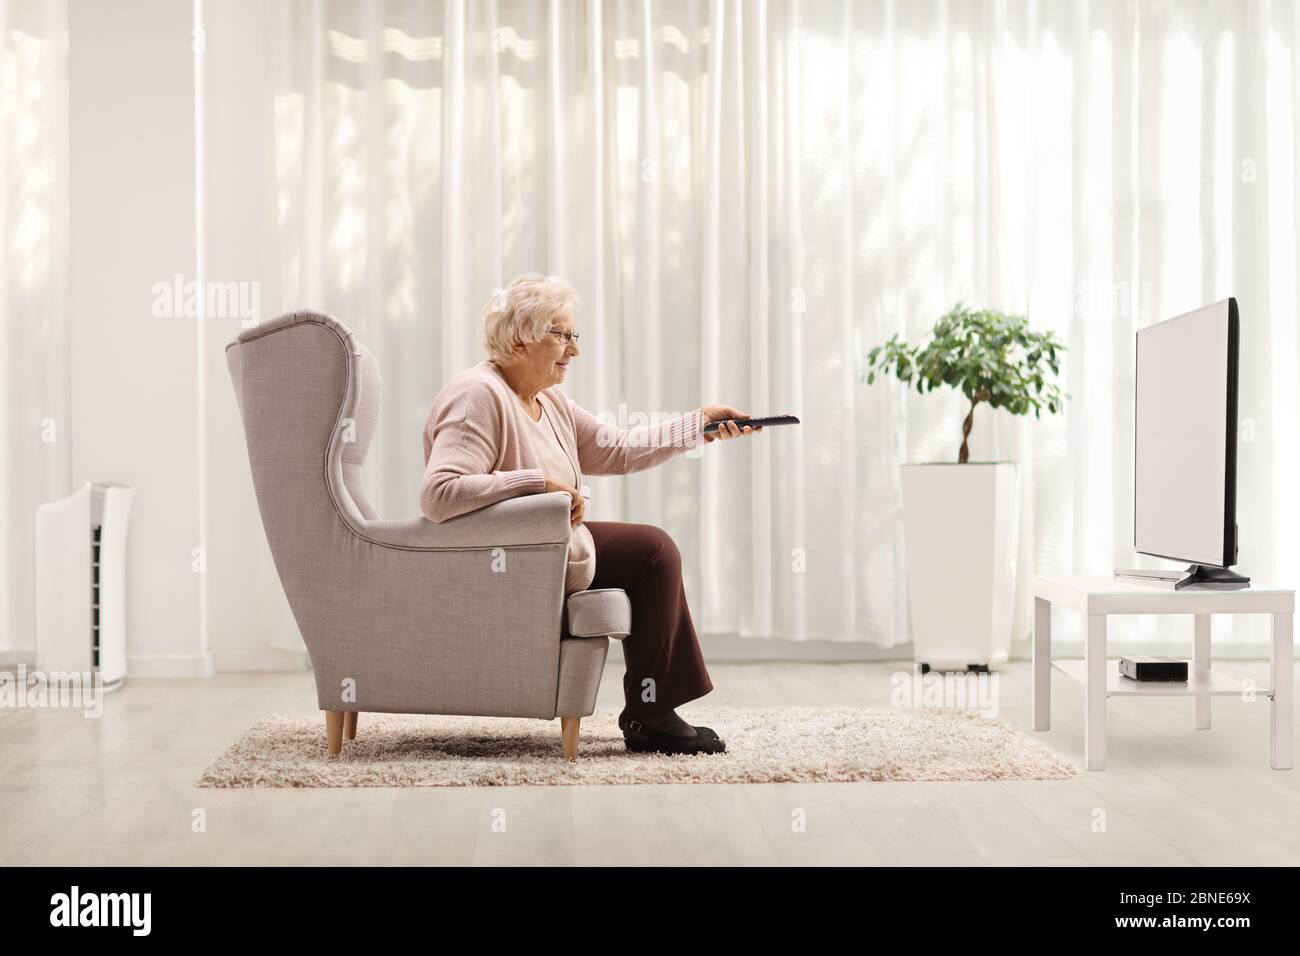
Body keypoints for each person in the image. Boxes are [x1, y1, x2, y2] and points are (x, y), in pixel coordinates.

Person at [420, 273, 762, 755]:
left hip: (548, 549)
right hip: (507, 561)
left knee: (652, 550)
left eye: (572, 335)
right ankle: (651, 716)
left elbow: (617, 449)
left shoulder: (547, 399)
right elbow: (439, 493)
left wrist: (697, 425)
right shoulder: (479, 396)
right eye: (561, 335)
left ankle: (650, 712)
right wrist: (537, 484)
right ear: (520, 339)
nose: (573, 350)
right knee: (653, 551)